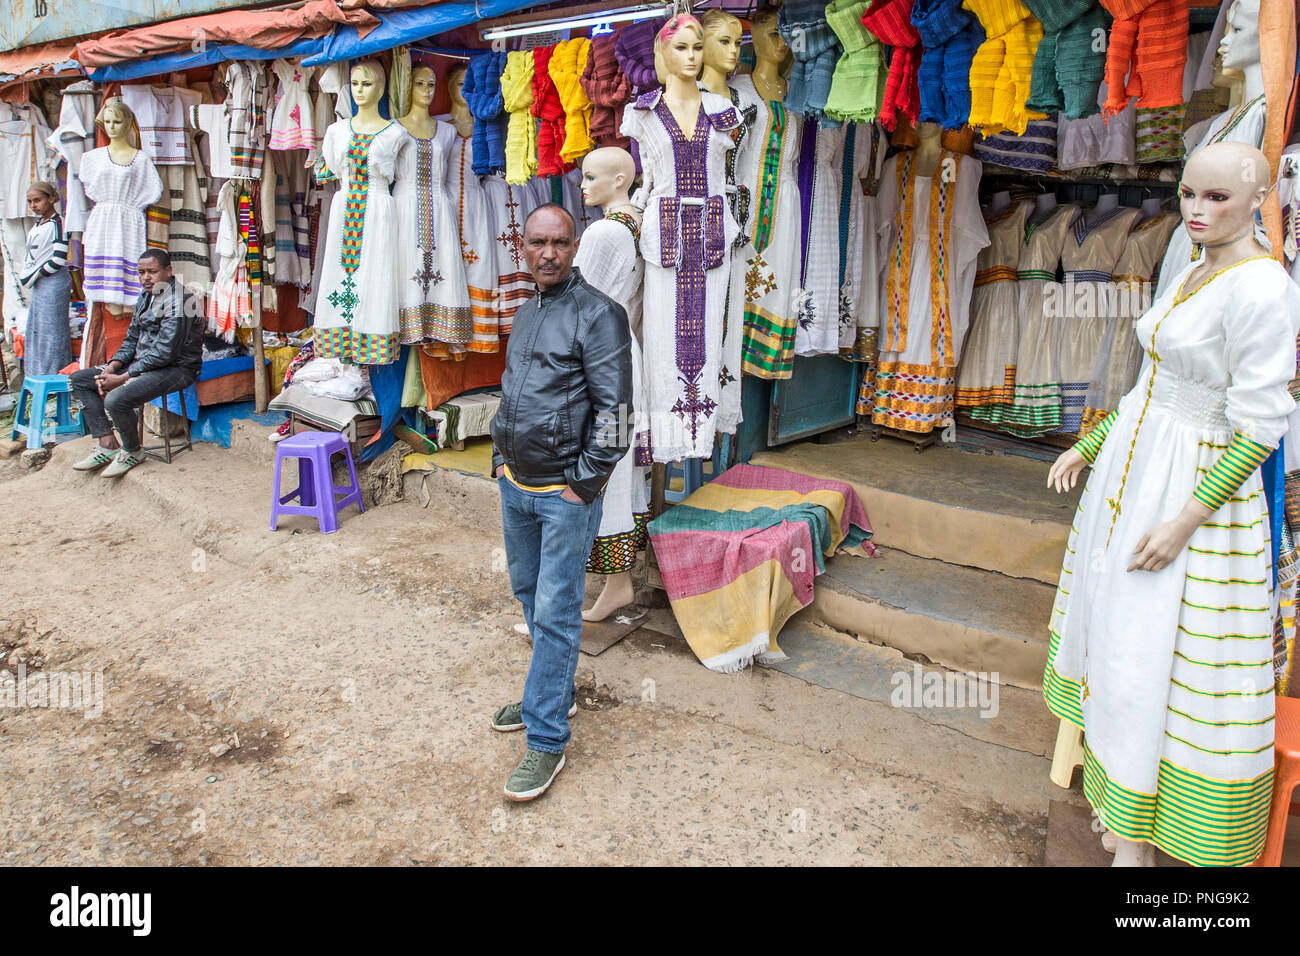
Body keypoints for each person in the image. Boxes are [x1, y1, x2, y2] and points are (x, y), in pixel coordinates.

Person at [1044, 142, 1300, 867]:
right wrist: (1090, 449)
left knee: (1164, 654)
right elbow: (1145, 387)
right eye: (1189, 192)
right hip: (1134, 472)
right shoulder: (1191, 270)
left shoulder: (1263, 289)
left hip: (1194, 492)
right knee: (1123, 648)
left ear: (1258, 199)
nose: (1196, 209)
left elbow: (1258, 429)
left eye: (1217, 198)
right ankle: (1127, 820)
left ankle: (1147, 844)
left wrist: (1186, 519)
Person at [489, 203, 632, 802]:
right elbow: (513, 391)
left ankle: (546, 739)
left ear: (575, 247)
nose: (548, 253)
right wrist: (499, 458)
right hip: (515, 484)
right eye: (538, 242)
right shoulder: (525, 312)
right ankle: (549, 691)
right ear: (524, 245)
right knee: (528, 595)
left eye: (560, 243)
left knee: (554, 612)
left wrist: (584, 484)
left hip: (564, 494)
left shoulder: (600, 315)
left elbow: (616, 414)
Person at [69, 249, 202, 478]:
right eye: (141, 272)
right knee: (79, 380)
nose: (145, 278)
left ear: (168, 271)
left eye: (152, 272)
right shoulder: (146, 296)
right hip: (145, 364)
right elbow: (131, 339)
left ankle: (132, 451)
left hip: (177, 369)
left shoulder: (180, 300)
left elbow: (164, 353)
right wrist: (112, 367)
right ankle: (108, 444)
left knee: (116, 398)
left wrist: (122, 378)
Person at [19, 182, 72, 377]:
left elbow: (58, 258)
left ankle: (54, 375)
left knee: (53, 331)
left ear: (51, 199)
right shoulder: (38, 225)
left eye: (37, 200)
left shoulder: (58, 223)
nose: (33, 205)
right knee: (39, 330)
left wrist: (36, 275)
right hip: (41, 283)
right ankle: (38, 374)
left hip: (53, 283)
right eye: (30, 201)